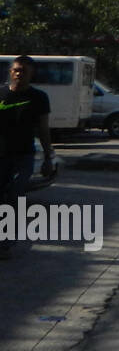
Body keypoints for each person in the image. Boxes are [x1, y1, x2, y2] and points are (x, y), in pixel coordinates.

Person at [0, 56, 56, 259]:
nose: (18, 73)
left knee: (14, 196)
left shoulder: (39, 98)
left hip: (23, 156)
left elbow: (43, 129)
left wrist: (49, 157)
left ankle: (5, 244)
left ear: (31, 73)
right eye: (15, 70)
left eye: (23, 70)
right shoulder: (1, 94)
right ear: (10, 72)